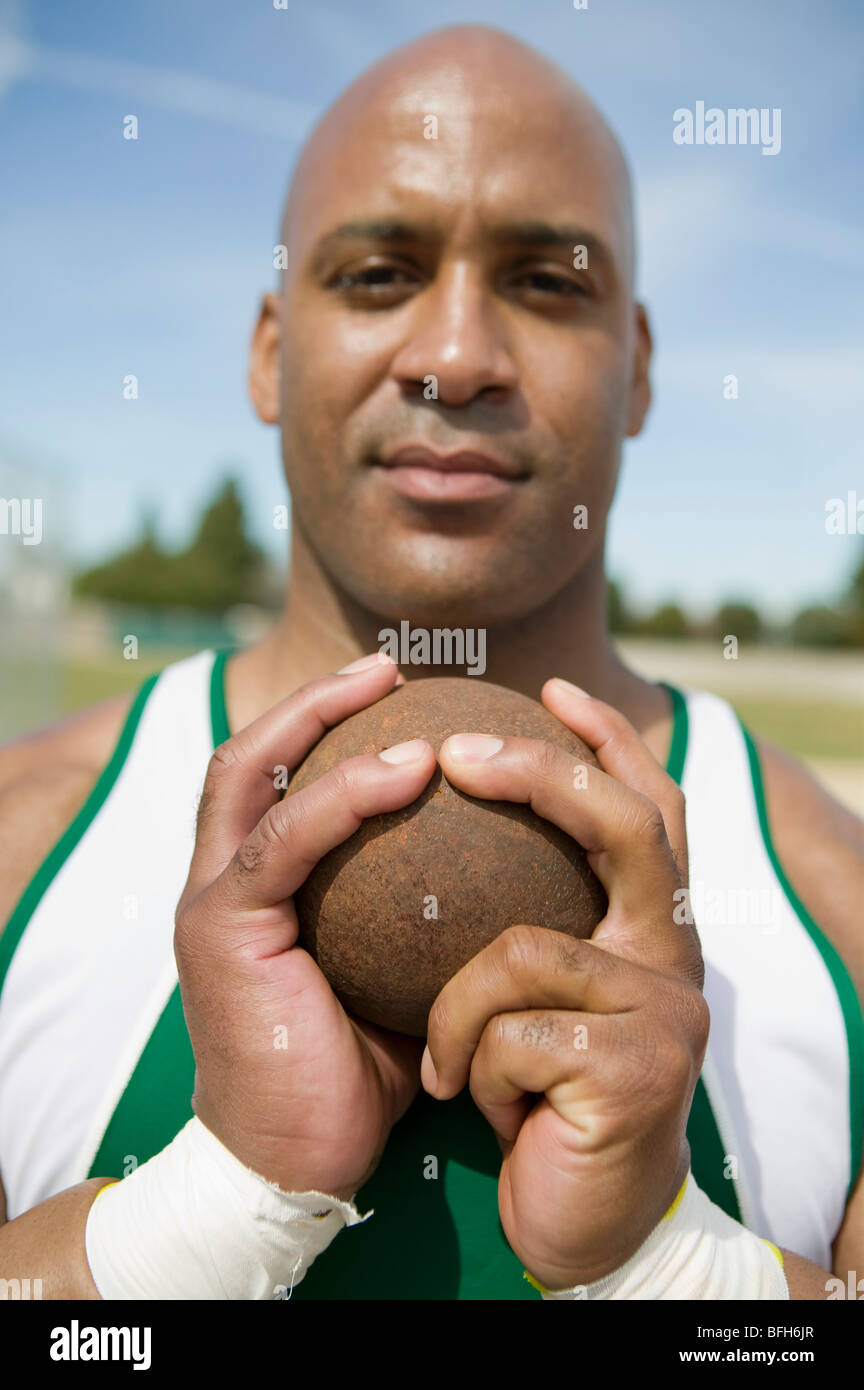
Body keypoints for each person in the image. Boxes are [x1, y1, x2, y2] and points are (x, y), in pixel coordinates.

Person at [0, 24, 860, 1301]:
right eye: (378, 272)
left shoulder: (839, 899)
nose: (455, 359)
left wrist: (670, 1268)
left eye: (547, 282)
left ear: (638, 369)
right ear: (268, 352)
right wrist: (212, 1217)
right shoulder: (22, 838)